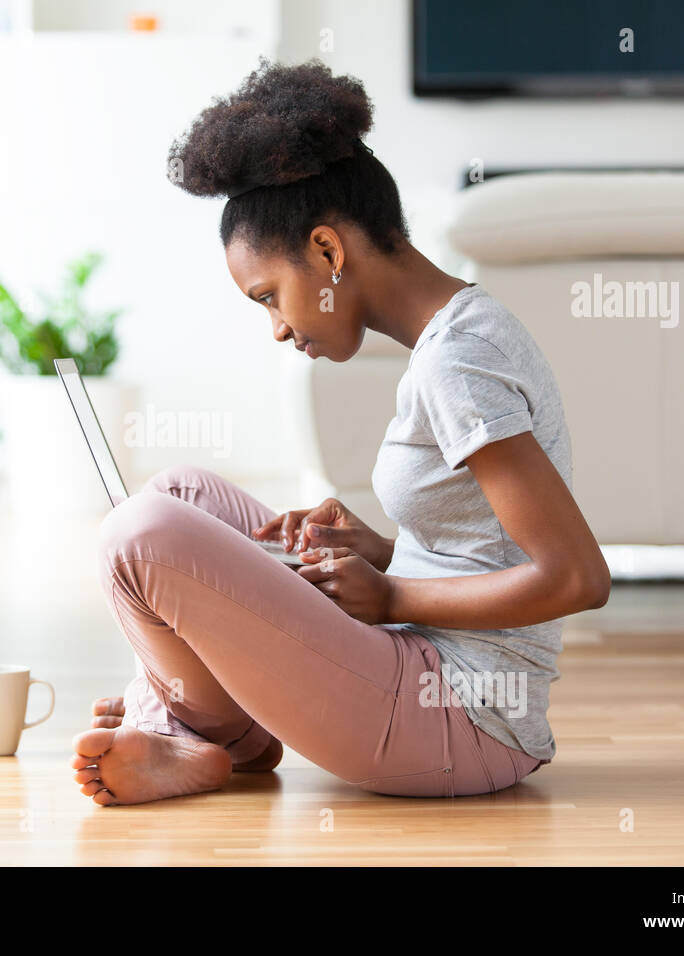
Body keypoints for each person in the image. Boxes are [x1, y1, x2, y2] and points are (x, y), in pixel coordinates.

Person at [70, 58, 610, 805]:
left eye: (269, 297)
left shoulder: (460, 360)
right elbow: (489, 548)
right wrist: (382, 553)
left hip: (463, 719)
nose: (278, 328)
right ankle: (205, 730)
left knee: (137, 534)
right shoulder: (454, 335)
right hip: (420, 666)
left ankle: (187, 725)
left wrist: (389, 595)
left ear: (326, 252)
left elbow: (577, 579)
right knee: (180, 494)